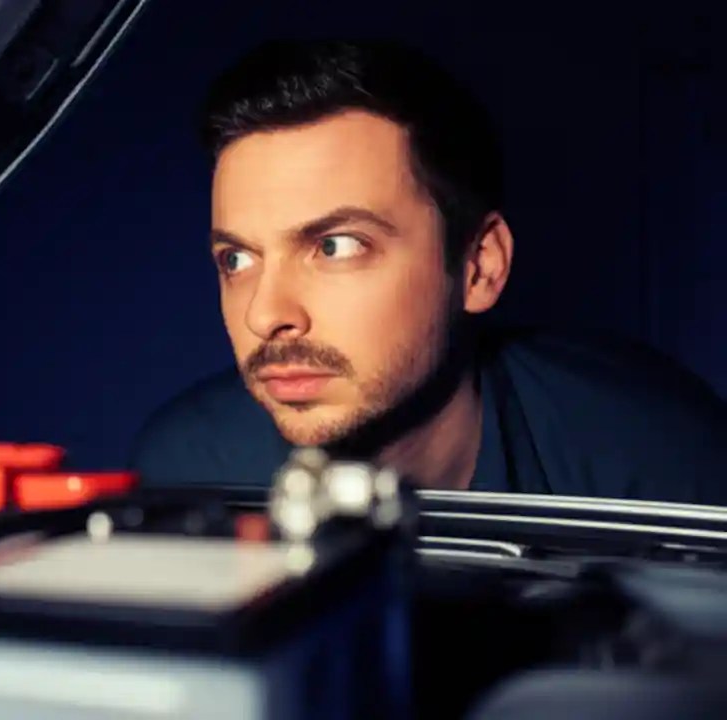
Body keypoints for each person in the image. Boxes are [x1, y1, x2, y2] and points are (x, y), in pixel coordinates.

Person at [129, 39, 727, 504]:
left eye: (335, 246)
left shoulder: (660, 465)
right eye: (236, 259)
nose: (265, 314)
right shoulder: (188, 471)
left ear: (479, 266)